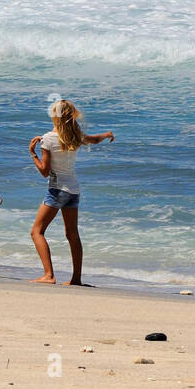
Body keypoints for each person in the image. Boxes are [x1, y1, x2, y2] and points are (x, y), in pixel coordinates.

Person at [27, 99, 113, 285]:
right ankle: (76, 279)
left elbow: (44, 171)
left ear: (54, 116)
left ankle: (49, 275)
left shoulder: (47, 139)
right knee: (72, 234)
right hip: (73, 190)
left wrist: (32, 153)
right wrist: (107, 134)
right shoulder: (75, 135)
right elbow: (95, 140)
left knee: (37, 231)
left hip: (57, 191)